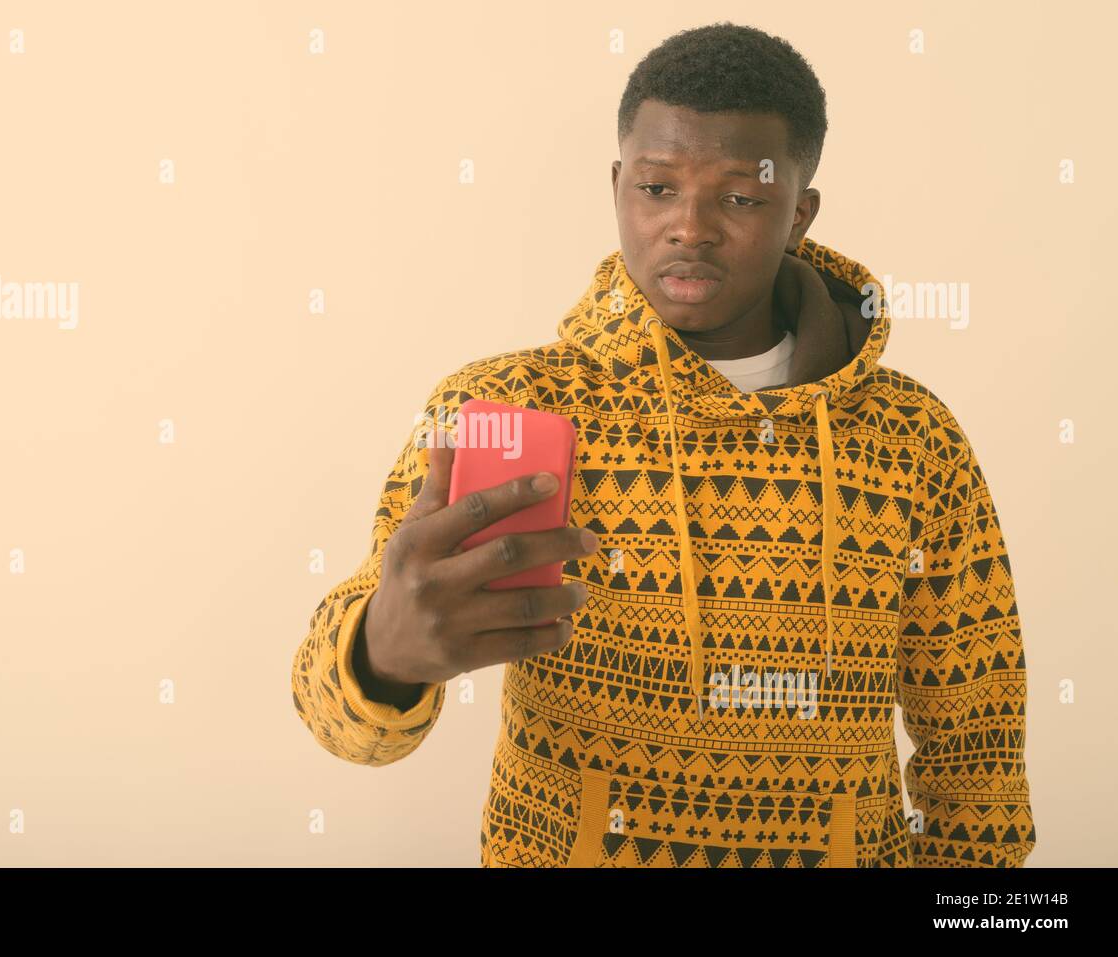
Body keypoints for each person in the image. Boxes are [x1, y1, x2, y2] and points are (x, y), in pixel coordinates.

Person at [291, 21, 1035, 868]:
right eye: (656, 189)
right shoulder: (504, 408)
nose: (690, 227)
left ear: (800, 214)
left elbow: (980, 762)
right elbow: (340, 725)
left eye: (742, 197)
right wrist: (380, 657)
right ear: (617, 187)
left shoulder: (914, 441)